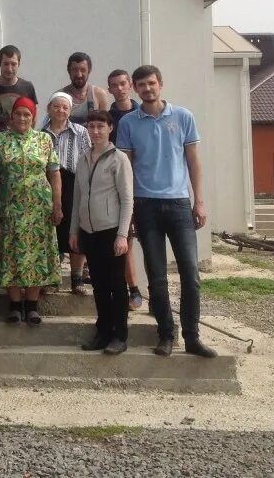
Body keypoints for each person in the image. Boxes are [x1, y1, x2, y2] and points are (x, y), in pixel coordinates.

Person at [115, 65, 216, 358]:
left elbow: (194, 162)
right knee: (157, 276)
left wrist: (199, 201)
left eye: (151, 83)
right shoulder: (128, 124)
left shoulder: (183, 117)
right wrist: (129, 211)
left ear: (161, 83)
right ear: (135, 88)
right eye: (141, 85)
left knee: (190, 273)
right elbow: (127, 170)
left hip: (179, 204)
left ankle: (192, 337)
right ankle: (166, 335)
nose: (147, 89)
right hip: (146, 206)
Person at [0, 97, 62, 324]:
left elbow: (55, 174)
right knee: (11, 254)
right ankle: (14, 304)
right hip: (9, 210)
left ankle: (32, 305)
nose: (22, 118)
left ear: (34, 117)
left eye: (27, 114)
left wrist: (57, 206)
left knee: (37, 256)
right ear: (12, 116)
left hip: (40, 210)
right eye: (18, 114)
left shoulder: (44, 140)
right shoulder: (0, 140)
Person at [68, 111, 134, 355]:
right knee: (98, 285)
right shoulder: (83, 159)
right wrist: (75, 230)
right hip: (89, 232)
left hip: (111, 231)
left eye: (100, 126)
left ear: (110, 128)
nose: (95, 131)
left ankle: (120, 335)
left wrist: (122, 234)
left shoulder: (118, 159)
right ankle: (103, 330)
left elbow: (128, 200)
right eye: (91, 126)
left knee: (117, 284)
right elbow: (77, 199)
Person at [41, 92, 92, 294]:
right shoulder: (40, 134)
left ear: (70, 111)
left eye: (65, 107)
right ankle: (52, 278)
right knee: (51, 231)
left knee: (75, 229)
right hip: (47, 184)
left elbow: (88, 160)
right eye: (57, 106)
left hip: (74, 184)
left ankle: (76, 278)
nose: (61, 110)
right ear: (49, 108)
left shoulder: (81, 132)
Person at [107, 68, 144, 311]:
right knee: (125, 239)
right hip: (118, 186)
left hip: (144, 185)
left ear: (130, 85)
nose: (120, 89)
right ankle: (133, 290)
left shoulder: (143, 112)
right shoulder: (108, 117)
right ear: (109, 89)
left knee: (149, 243)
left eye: (123, 84)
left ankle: (151, 293)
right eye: (115, 85)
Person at [0, 45, 37, 131]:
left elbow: (34, 115)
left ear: (19, 64)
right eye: (6, 64)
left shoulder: (27, 87)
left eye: (13, 64)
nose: (9, 69)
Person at [61, 52, 110, 124]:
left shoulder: (99, 95)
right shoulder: (60, 96)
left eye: (83, 70)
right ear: (69, 71)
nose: (79, 74)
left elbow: (104, 126)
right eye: (75, 70)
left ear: (89, 71)